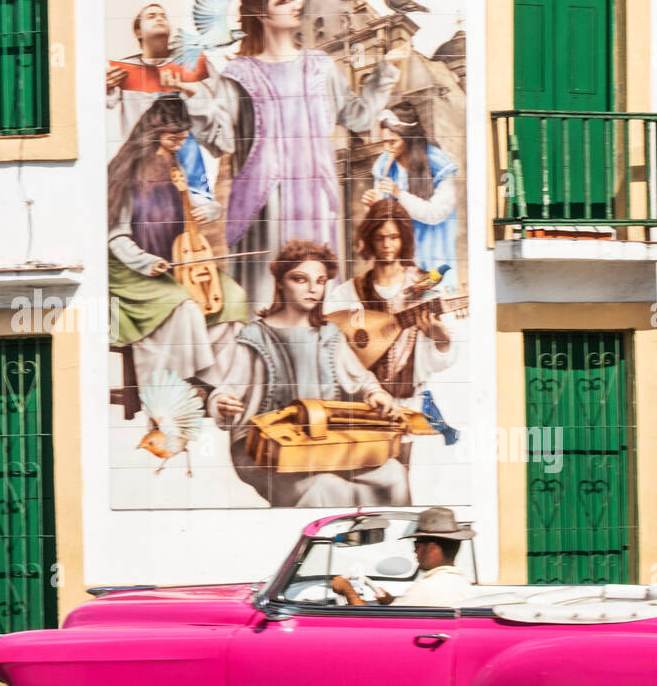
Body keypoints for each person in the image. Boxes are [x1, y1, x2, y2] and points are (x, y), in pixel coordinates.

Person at [161, 0, 409, 309]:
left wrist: (388, 70)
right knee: (269, 300)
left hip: (315, 204)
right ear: (261, 12)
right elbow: (219, 138)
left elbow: (357, 116)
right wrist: (196, 95)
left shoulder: (321, 66)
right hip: (266, 207)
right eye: (283, 0)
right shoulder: (239, 75)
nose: (297, 4)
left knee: (317, 299)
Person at [202, 239, 409, 507]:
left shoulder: (330, 335)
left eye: (321, 281)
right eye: (300, 279)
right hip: (263, 447)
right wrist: (220, 402)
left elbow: (362, 381)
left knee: (394, 476)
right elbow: (228, 389)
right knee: (324, 487)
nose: (313, 289)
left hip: (324, 442)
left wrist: (375, 393)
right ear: (280, 282)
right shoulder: (255, 336)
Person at [107, 95, 249, 386]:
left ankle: (221, 381)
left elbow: (201, 201)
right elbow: (116, 236)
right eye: (172, 139)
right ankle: (187, 380)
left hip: (175, 262)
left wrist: (206, 208)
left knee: (233, 297)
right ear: (153, 135)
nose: (178, 145)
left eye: (183, 139)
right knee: (182, 305)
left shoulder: (176, 167)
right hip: (130, 269)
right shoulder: (126, 175)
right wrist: (146, 262)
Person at [322, 198, 456, 460]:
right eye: (380, 237)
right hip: (362, 412)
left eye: (394, 237)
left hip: (407, 407)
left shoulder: (424, 289)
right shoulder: (347, 293)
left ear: (403, 239)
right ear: (370, 239)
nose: (386, 245)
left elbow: (440, 363)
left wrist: (441, 338)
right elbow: (327, 343)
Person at [105, 2, 213, 202]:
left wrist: (185, 87)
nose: (159, 18)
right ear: (138, 31)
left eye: (163, 15)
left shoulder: (191, 65)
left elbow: (215, 102)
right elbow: (107, 103)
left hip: (188, 169)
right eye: (151, 16)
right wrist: (107, 86)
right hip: (141, 170)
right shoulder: (124, 70)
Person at [363, 101, 459, 291]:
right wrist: (374, 206)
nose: (387, 148)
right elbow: (384, 217)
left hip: (434, 248)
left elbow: (435, 214)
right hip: (401, 253)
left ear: (409, 138)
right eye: (384, 142)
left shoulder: (437, 162)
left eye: (393, 142)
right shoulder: (384, 164)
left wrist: (399, 194)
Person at [331, 507, 475, 606]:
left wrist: (347, 590)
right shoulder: (459, 583)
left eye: (417, 545)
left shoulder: (428, 588)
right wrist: (392, 601)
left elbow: (376, 627)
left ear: (432, 549)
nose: (415, 552)